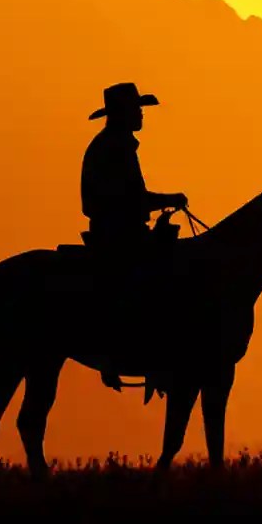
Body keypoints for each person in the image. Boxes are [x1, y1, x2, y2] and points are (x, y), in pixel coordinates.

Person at [81, 82, 187, 393]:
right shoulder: (115, 147)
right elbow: (132, 198)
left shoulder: (113, 144)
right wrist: (170, 199)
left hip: (116, 229)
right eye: (137, 109)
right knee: (161, 276)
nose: (141, 114)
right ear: (123, 114)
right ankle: (148, 353)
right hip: (118, 233)